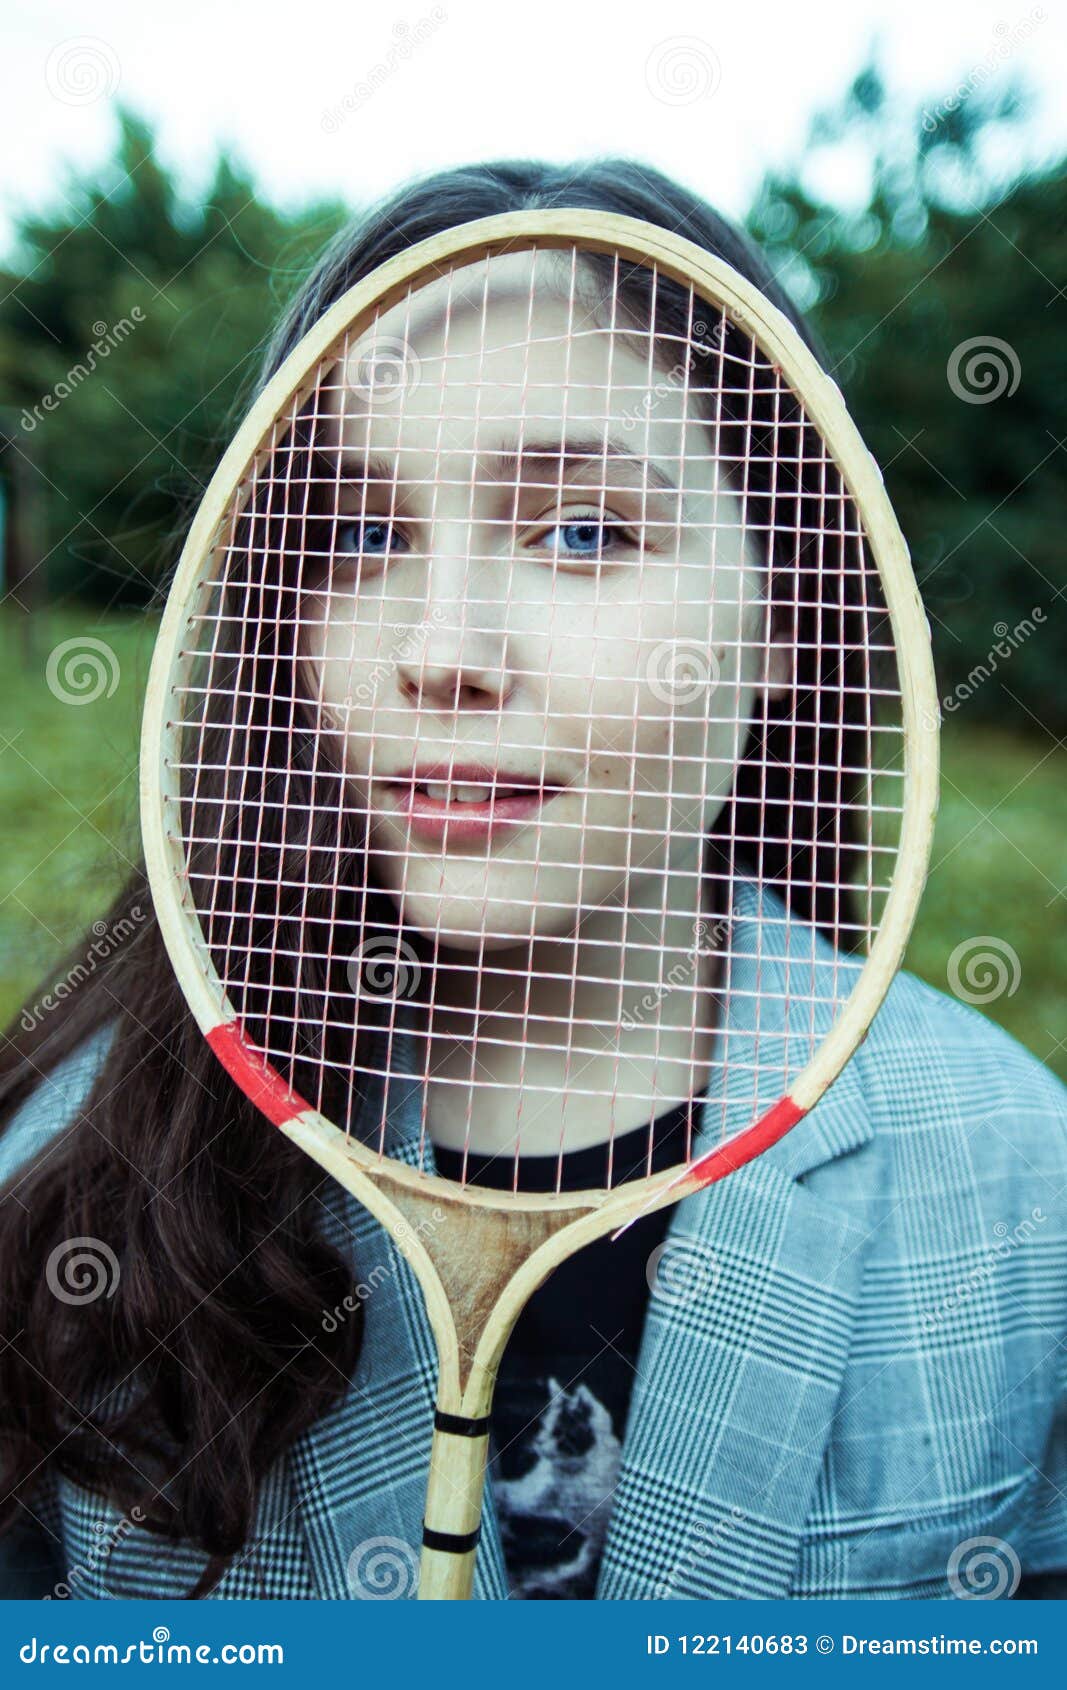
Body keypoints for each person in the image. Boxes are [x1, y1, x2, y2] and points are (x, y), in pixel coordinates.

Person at [1, 157, 1064, 1603]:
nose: (442, 648)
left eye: (583, 532)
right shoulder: (64, 1178)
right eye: (363, 534)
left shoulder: (1021, 1179)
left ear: (790, 607)